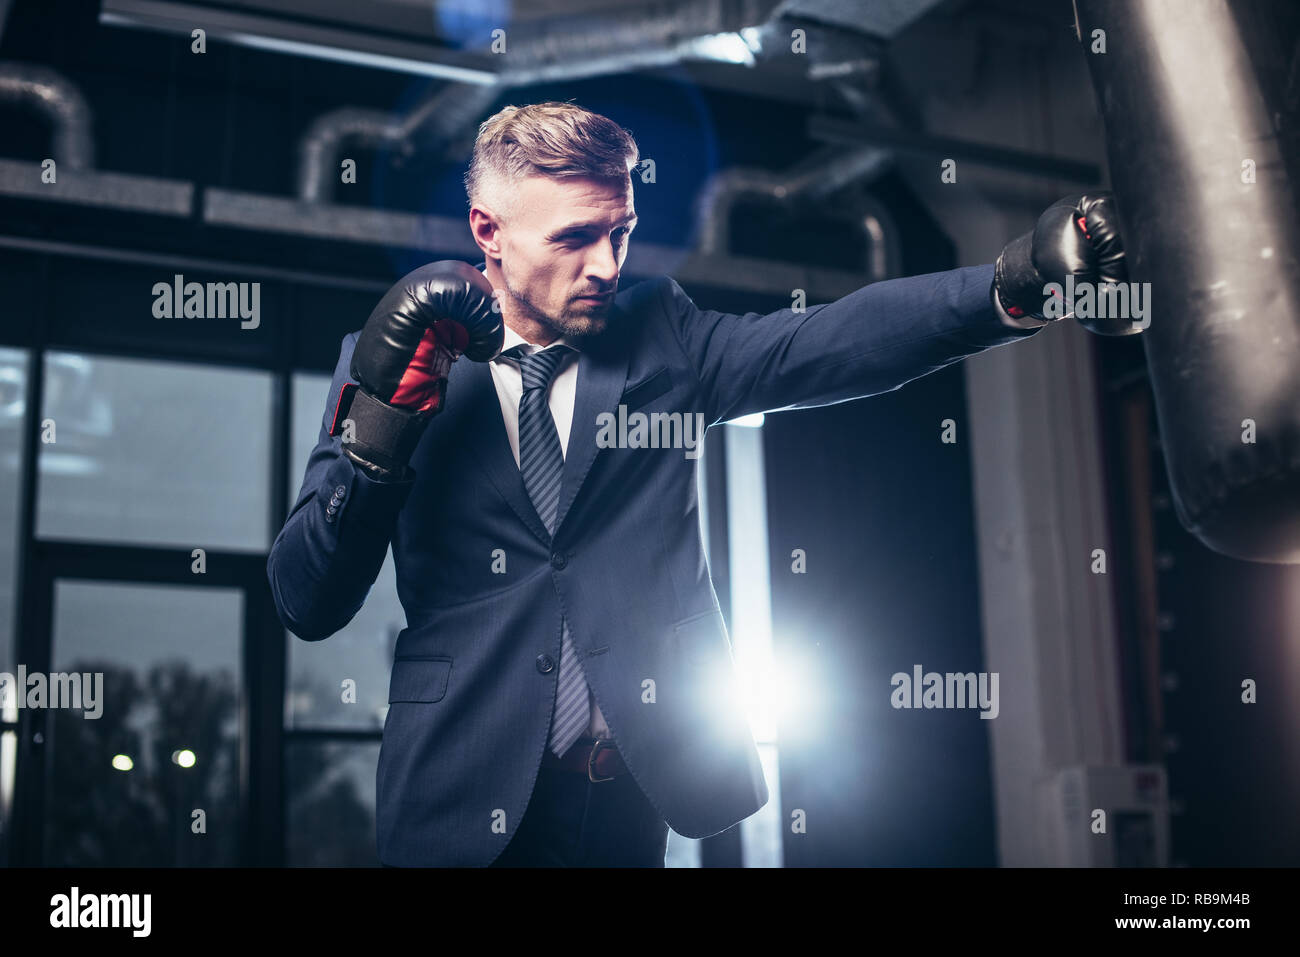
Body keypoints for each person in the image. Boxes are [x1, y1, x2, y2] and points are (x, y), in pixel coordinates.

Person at [266, 101, 1126, 867]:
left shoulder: (660, 333)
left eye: (621, 231)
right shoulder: (391, 361)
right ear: (488, 232)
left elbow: (829, 340)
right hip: (459, 793)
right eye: (573, 237)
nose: (606, 264)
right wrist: (381, 428)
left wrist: (1016, 281)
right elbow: (307, 596)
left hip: (629, 798)